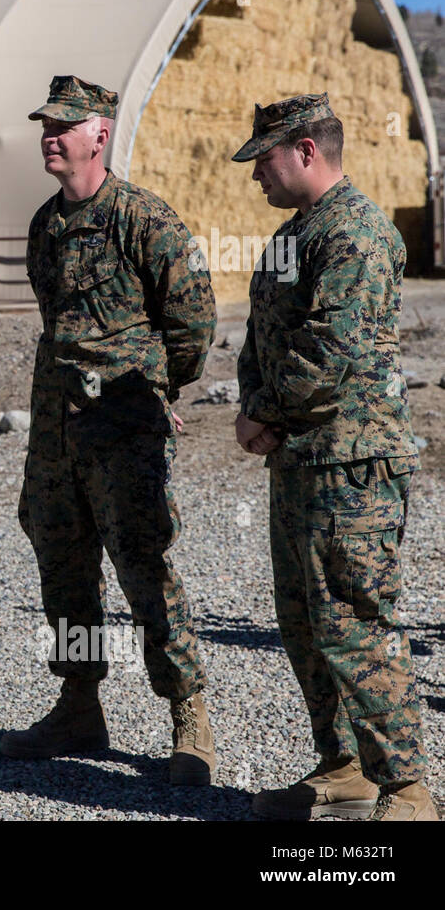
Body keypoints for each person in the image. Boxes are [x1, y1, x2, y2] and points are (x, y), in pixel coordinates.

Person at [0, 76, 218, 785]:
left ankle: (189, 718)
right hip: (57, 434)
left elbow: (193, 323)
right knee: (63, 569)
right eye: (44, 125)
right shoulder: (46, 224)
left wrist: (155, 392)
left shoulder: (144, 218)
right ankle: (78, 705)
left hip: (122, 430)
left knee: (143, 566)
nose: (49, 136)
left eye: (64, 126)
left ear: (100, 133)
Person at [232, 92, 438, 821]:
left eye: (265, 160)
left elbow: (333, 352)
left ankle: (408, 789)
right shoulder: (295, 235)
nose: (256, 175)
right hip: (300, 458)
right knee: (304, 622)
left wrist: (262, 412)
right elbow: (261, 337)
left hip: (352, 464)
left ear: (307, 151)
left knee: (355, 621)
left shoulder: (355, 233)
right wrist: (254, 404)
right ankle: (345, 766)